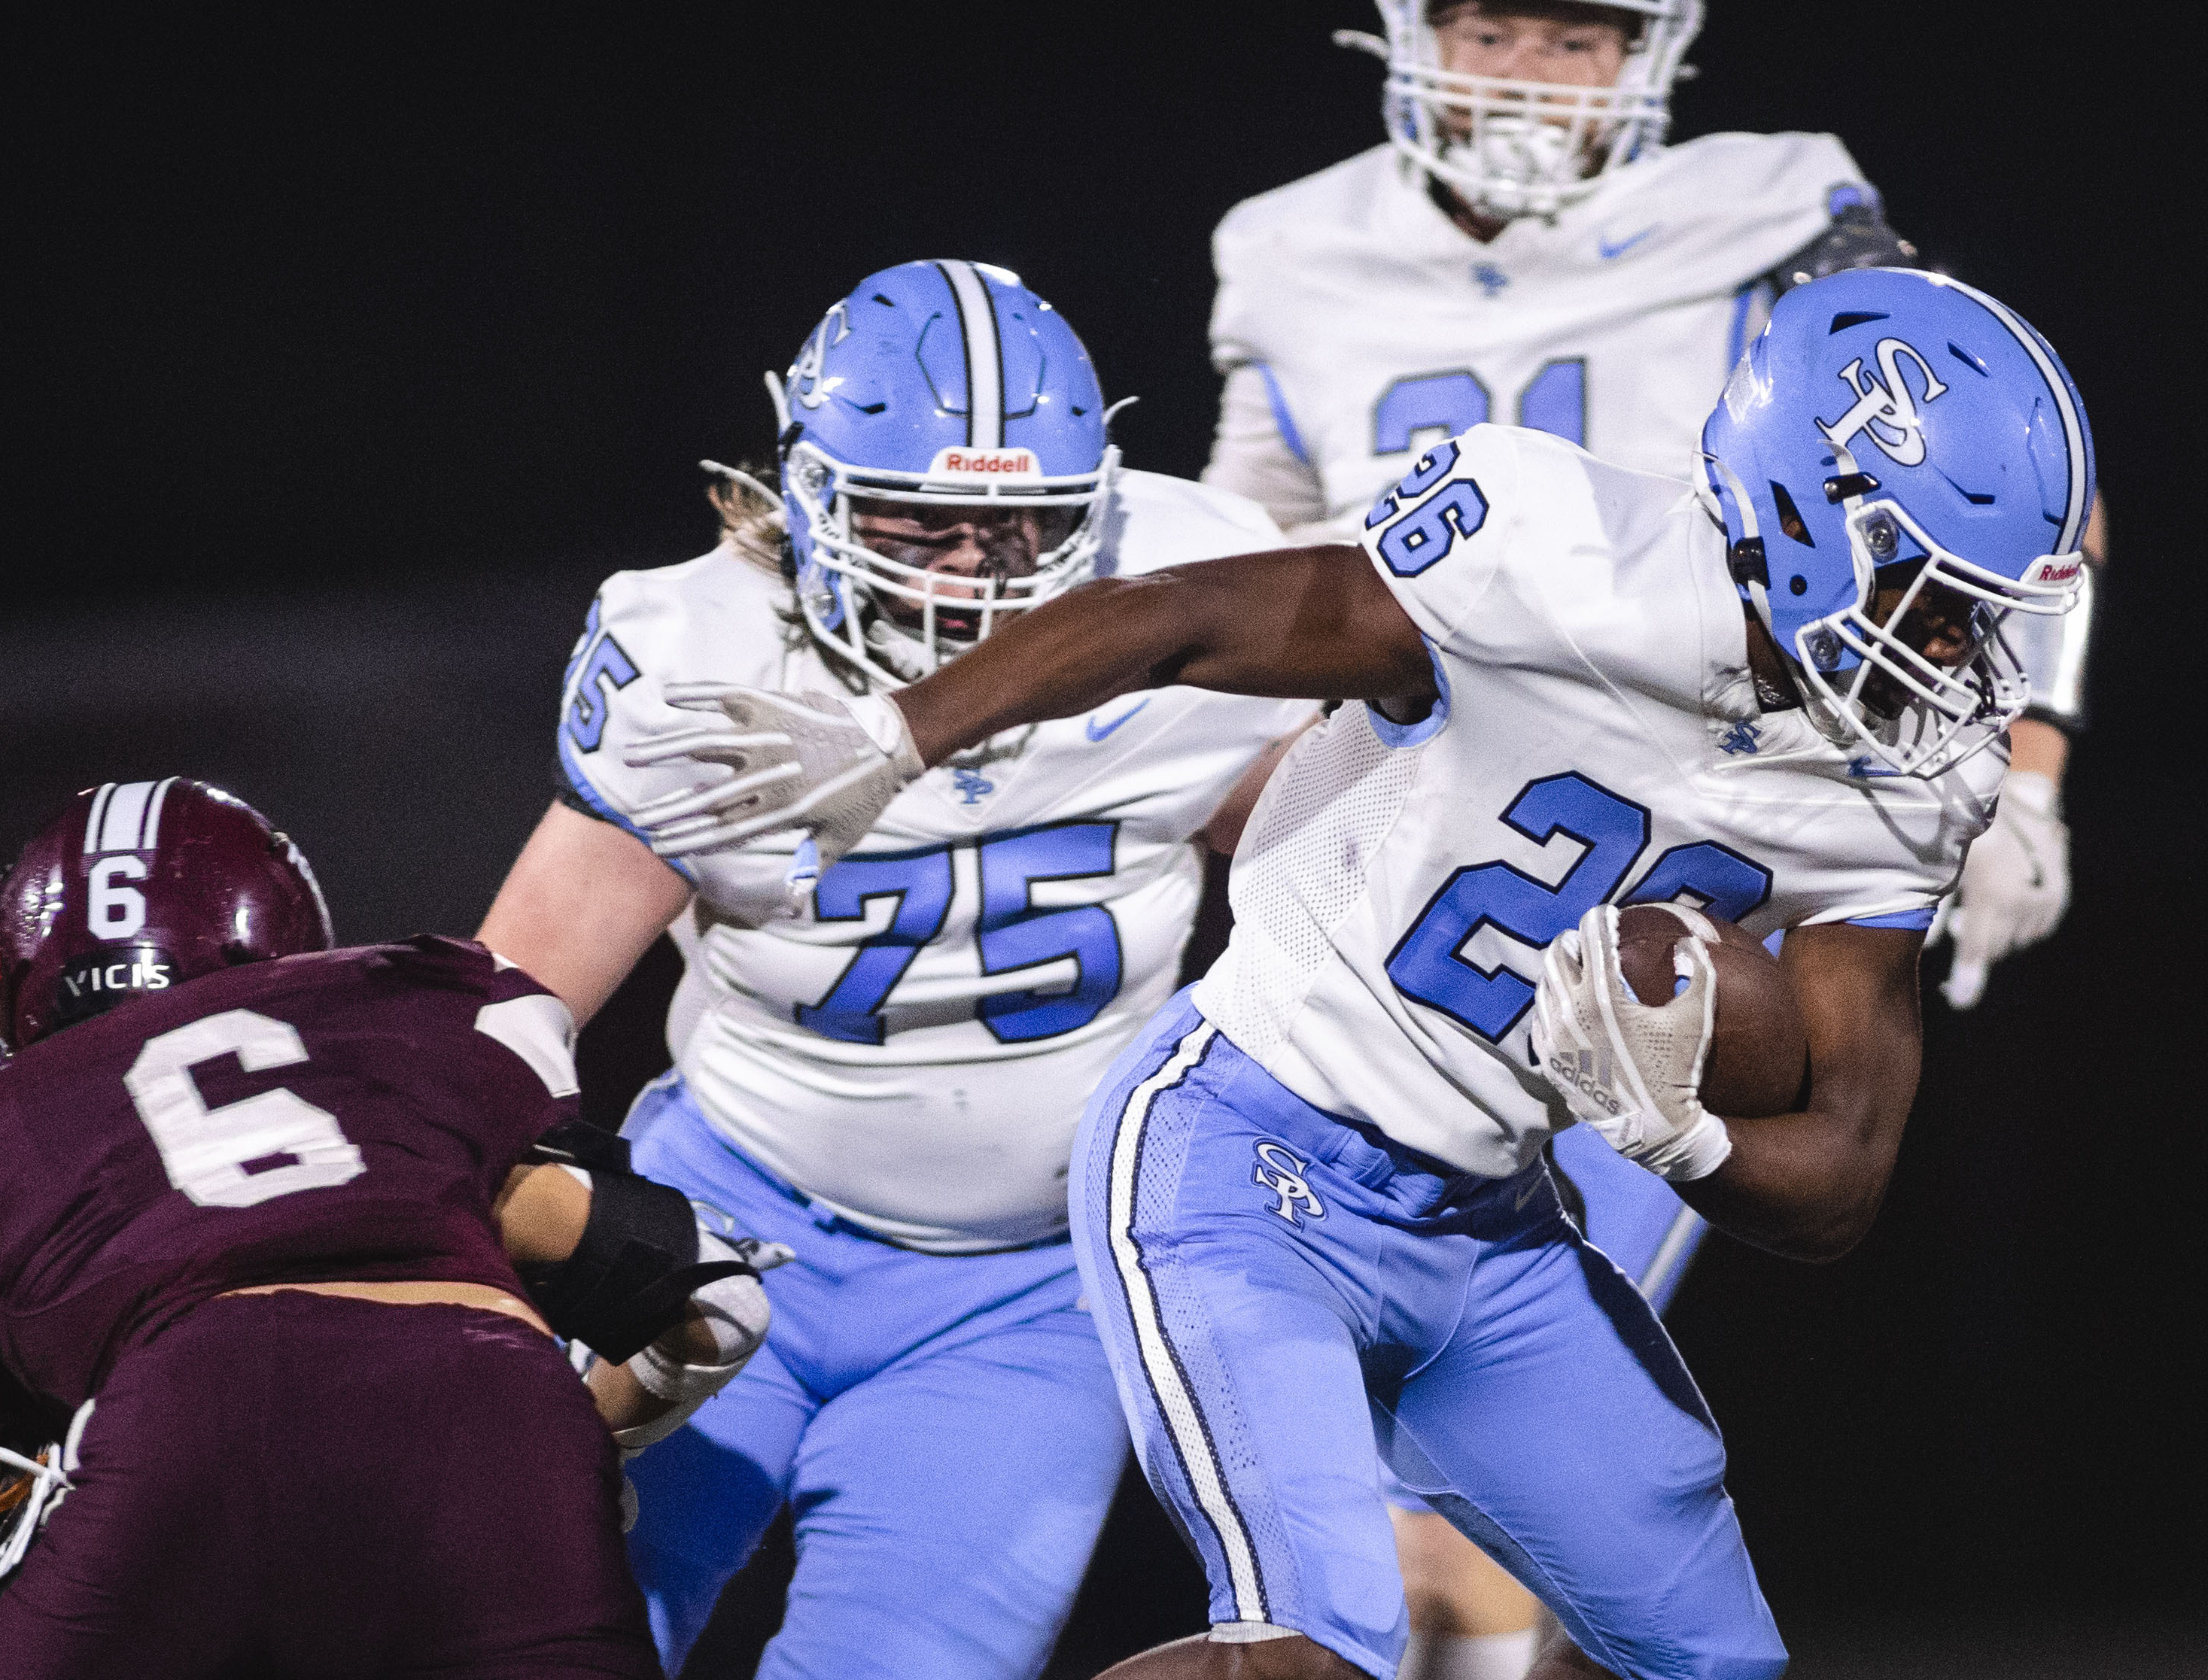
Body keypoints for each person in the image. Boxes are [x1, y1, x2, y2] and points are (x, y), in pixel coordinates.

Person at [612, 266, 2095, 1678]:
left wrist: (1680, 1138)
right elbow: (1181, 615)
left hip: (1495, 1223)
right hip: (1243, 1152)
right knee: (1309, 1647)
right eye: (1938, 598)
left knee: (1707, 1658)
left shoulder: (1916, 775)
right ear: (1808, 517)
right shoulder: (1558, 551)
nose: (1967, 660)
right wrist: (896, 738)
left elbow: (1840, 1175)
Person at [1200, 11, 2098, 1664]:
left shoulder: (1773, 202)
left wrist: (2023, 768)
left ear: (1655, 52)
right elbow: (1250, 518)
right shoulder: (1285, 246)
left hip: (1670, 861)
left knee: (1479, 1502)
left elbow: (2016, 482)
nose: (1532, 69)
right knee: (1372, 1495)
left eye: (1576, 32)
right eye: (1494, 25)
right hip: (1401, 845)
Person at [476, 258, 1313, 1679]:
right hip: (721, 1235)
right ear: (807, 497)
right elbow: (498, 1022)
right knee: (554, 1636)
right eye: (920, 521)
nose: (965, 577)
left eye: (1017, 528)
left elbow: (1333, 878)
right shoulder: (698, 649)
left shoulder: (1186, 599)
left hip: (1032, 1288)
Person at [0, 777, 768, 1679]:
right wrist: (562, 1459)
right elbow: (716, 1296)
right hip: (494, 1406)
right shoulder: (406, 1051)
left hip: (193, 1433)